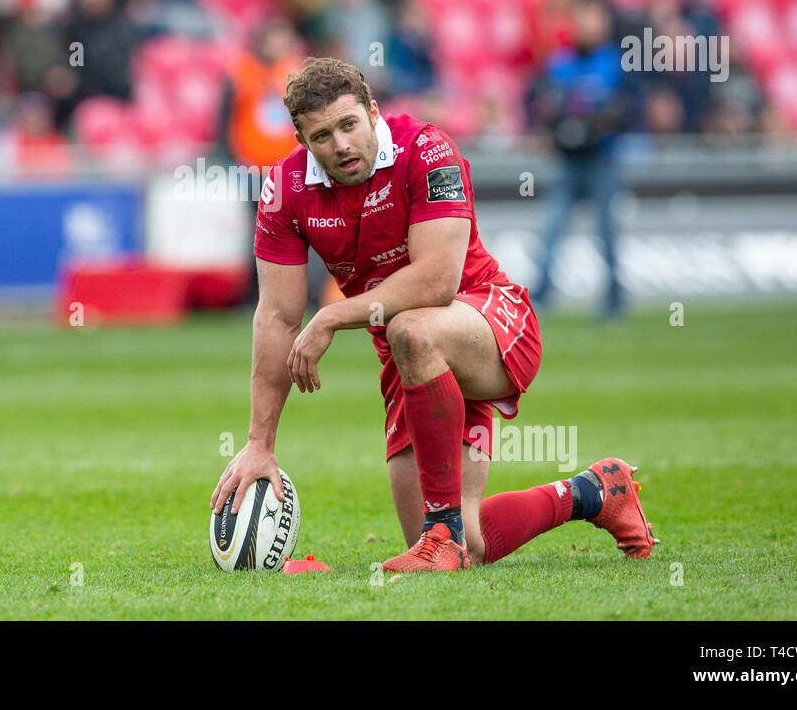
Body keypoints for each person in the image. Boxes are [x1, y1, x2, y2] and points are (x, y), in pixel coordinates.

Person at [210, 57, 656, 572]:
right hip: (409, 358)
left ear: (373, 112)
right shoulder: (285, 190)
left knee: (412, 328)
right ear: (301, 140)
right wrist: (259, 444)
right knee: (471, 546)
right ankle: (596, 491)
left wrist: (330, 317)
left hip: (488, 316)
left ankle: (439, 535)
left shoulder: (427, 148)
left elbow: (437, 281)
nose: (341, 145)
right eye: (322, 135)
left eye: (350, 124)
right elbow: (276, 319)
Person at [528, 0, 634, 317]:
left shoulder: (615, 62)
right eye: (584, 17)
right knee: (551, 228)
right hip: (568, 161)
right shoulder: (559, 63)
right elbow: (542, 103)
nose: (588, 25)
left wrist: (597, 125)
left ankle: (614, 295)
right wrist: (556, 126)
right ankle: (542, 293)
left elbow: (629, 109)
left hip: (602, 160)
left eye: (595, 18)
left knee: (606, 233)